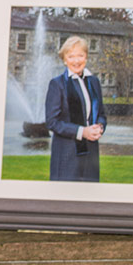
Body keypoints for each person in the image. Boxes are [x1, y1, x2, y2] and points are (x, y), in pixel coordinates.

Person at [44, 35, 107, 182]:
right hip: (67, 155)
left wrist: (100, 126)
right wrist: (82, 132)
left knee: (89, 199)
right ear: (64, 59)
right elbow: (52, 122)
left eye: (80, 55)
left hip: (91, 155)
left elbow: (101, 114)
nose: (76, 60)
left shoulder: (94, 82)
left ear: (86, 57)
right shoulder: (57, 84)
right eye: (71, 56)